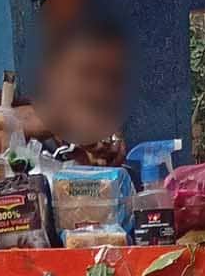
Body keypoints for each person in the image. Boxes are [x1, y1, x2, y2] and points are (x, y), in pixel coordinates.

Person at [15, 12, 127, 165]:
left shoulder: (104, 142)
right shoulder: (22, 130)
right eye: (88, 74)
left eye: (112, 78)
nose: (99, 91)